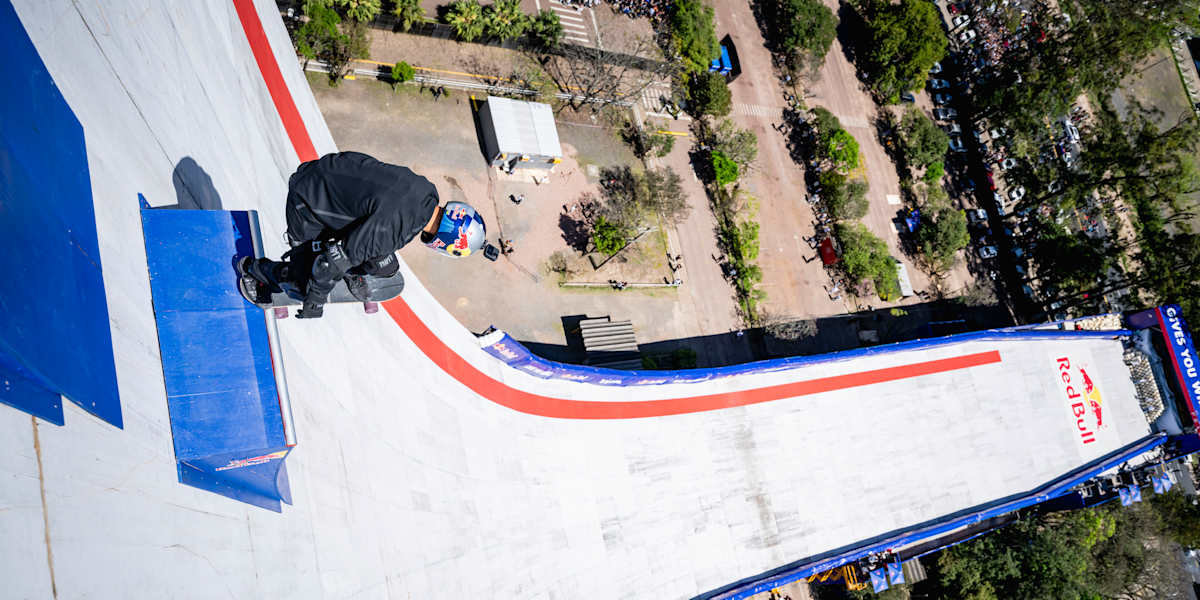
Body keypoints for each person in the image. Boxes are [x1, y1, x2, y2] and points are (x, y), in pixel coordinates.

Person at [240, 151, 486, 318]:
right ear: (446, 243)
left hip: (326, 174)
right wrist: (315, 301)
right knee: (307, 284)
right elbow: (331, 261)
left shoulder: (426, 191)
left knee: (384, 267)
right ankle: (259, 270)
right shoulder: (393, 230)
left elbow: (382, 219)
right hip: (307, 203)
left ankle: (352, 260)